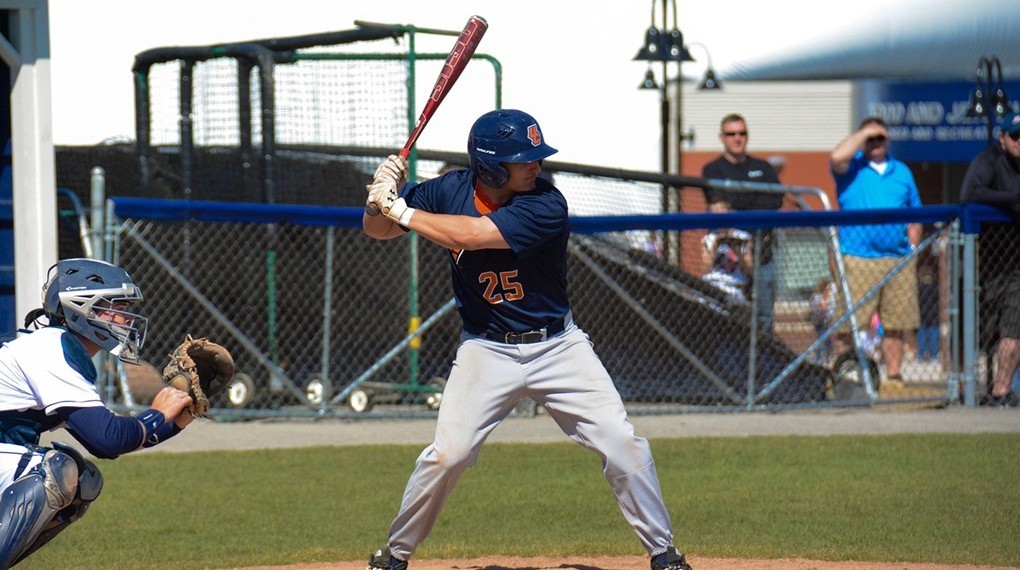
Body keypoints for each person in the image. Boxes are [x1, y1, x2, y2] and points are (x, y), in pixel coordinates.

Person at [361, 109, 692, 570]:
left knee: (622, 441)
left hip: (558, 347)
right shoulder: (447, 191)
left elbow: (475, 236)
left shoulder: (546, 204)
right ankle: (395, 555)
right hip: (486, 348)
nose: (535, 165)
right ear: (492, 165)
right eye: (523, 159)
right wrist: (379, 202)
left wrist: (402, 209)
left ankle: (664, 553)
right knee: (448, 456)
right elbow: (377, 231)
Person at [0, 258, 194, 568]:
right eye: (115, 304)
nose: (127, 318)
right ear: (80, 307)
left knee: (83, 481)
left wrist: (179, 418)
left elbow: (108, 441)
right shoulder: (50, 348)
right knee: (53, 473)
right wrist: (158, 412)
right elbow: (108, 439)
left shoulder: (55, 346)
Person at [829, 116, 922, 391]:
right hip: (857, 258)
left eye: (880, 137)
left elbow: (915, 214)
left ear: (888, 140)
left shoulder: (902, 172)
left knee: (896, 323)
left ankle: (893, 377)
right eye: (870, 138)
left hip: (897, 259)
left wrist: (912, 250)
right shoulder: (851, 168)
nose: (875, 143)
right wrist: (865, 132)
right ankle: (844, 374)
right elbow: (836, 156)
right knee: (848, 325)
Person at [701, 113, 783, 332]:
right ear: (722, 137)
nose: (737, 138)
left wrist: (736, 205)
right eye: (731, 134)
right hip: (729, 263)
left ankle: (764, 365)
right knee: (728, 319)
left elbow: (775, 202)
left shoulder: (763, 168)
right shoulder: (713, 170)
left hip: (762, 256)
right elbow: (718, 209)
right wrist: (752, 204)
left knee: (764, 318)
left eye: (742, 133)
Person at [960, 111, 1020, 407]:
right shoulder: (988, 161)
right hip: (984, 262)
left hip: (1018, 263)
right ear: (1002, 137)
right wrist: (1012, 200)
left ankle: (1001, 391)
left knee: (1014, 325)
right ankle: (963, 388)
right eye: (1015, 136)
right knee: (979, 330)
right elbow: (969, 194)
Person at [915, 248, 940, 364]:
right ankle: (934, 355)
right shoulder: (935, 287)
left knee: (923, 333)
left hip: (922, 313)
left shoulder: (919, 288)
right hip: (933, 314)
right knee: (933, 333)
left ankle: (921, 354)